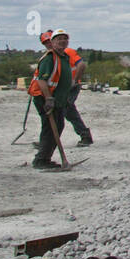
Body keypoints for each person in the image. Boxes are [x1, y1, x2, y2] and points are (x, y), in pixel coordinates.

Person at [31, 29, 77, 170]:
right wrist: (49, 99)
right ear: (52, 42)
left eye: (65, 38)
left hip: (58, 100)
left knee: (58, 127)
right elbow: (41, 81)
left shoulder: (64, 57)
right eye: (59, 39)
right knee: (50, 129)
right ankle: (41, 160)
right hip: (45, 99)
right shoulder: (49, 58)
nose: (62, 41)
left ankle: (45, 158)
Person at [41, 30, 92, 146]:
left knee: (64, 110)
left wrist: (74, 81)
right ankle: (84, 135)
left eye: (48, 41)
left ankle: (48, 140)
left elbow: (81, 65)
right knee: (67, 111)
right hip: (62, 88)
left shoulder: (67, 52)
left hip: (71, 87)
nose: (47, 44)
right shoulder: (52, 55)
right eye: (45, 43)